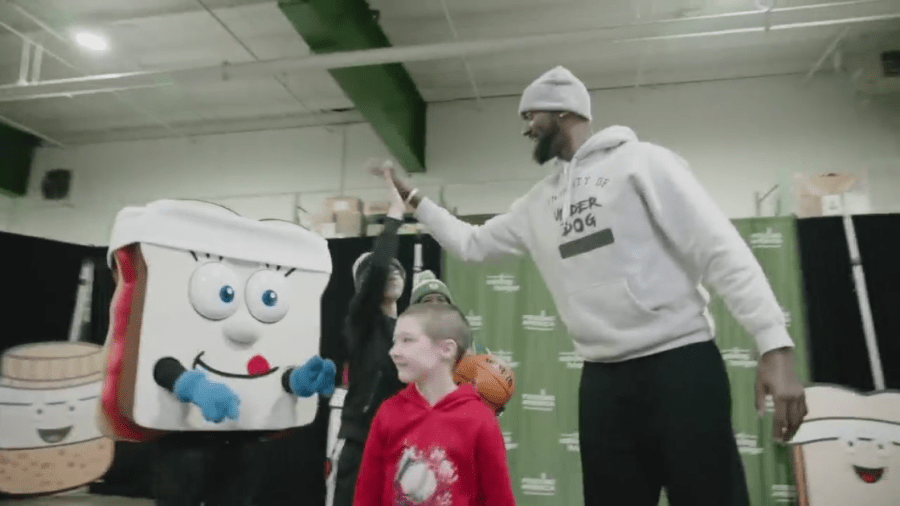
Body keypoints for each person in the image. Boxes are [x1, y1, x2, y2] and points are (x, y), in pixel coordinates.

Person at [374, 65, 808, 506]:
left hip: (680, 364)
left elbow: (719, 247)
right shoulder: (538, 203)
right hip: (603, 381)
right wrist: (416, 202)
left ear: (563, 111)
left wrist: (774, 344)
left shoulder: (643, 163)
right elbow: (472, 244)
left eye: (531, 116)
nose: (526, 129)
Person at [353, 303, 516, 506]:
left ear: (446, 349)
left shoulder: (480, 420)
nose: (394, 352)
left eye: (407, 340)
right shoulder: (388, 412)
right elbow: (366, 497)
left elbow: (499, 500)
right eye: (395, 342)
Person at [332, 171, 409, 506]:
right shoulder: (361, 323)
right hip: (362, 443)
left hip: (401, 445)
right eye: (380, 272)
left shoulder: (410, 333)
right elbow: (377, 269)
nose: (390, 274)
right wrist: (395, 215)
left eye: (397, 270)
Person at [409, 270, 488, 355]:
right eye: (427, 301)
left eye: (441, 300)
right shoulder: (406, 343)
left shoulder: (470, 343)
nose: (436, 305)